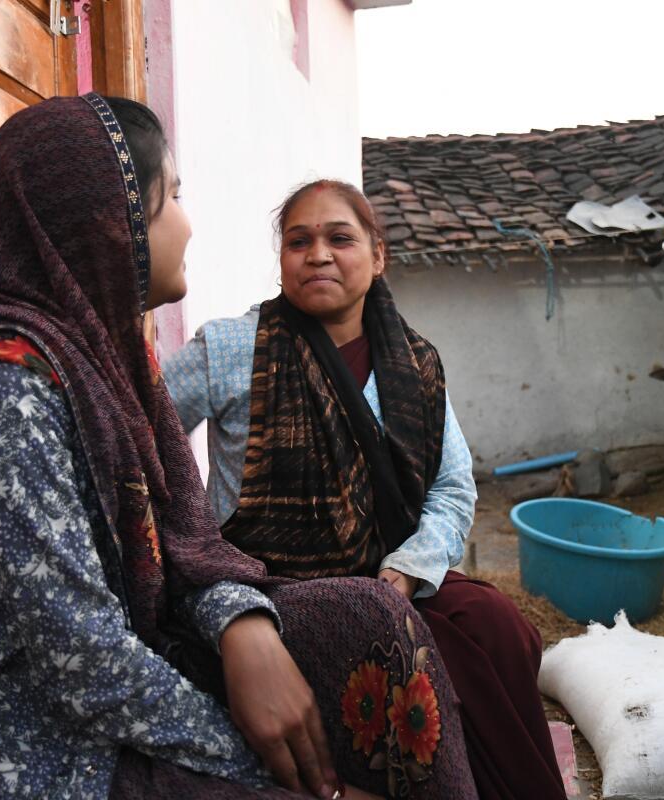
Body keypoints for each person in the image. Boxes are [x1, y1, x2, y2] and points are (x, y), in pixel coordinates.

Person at [0, 95, 477, 799]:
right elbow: (82, 656)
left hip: (122, 677)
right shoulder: (2, 392)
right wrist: (299, 780)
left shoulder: (105, 358)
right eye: (170, 196)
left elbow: (181, 537)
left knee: (381, 618)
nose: (188, 221)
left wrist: (241, 621)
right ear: (111, 225)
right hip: (21, 744)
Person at [164, 178, 567, 800]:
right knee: (397, 648)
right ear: (281, 262)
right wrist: (200, 553)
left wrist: (408, 570)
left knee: (497, 627)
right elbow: (149, 446)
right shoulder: (231, 347)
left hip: (389, 572)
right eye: (299, 241)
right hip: (270, 587)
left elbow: (453, 487)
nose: (318, 254)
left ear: (377, 256)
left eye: (339, 238)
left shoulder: (416, 363)